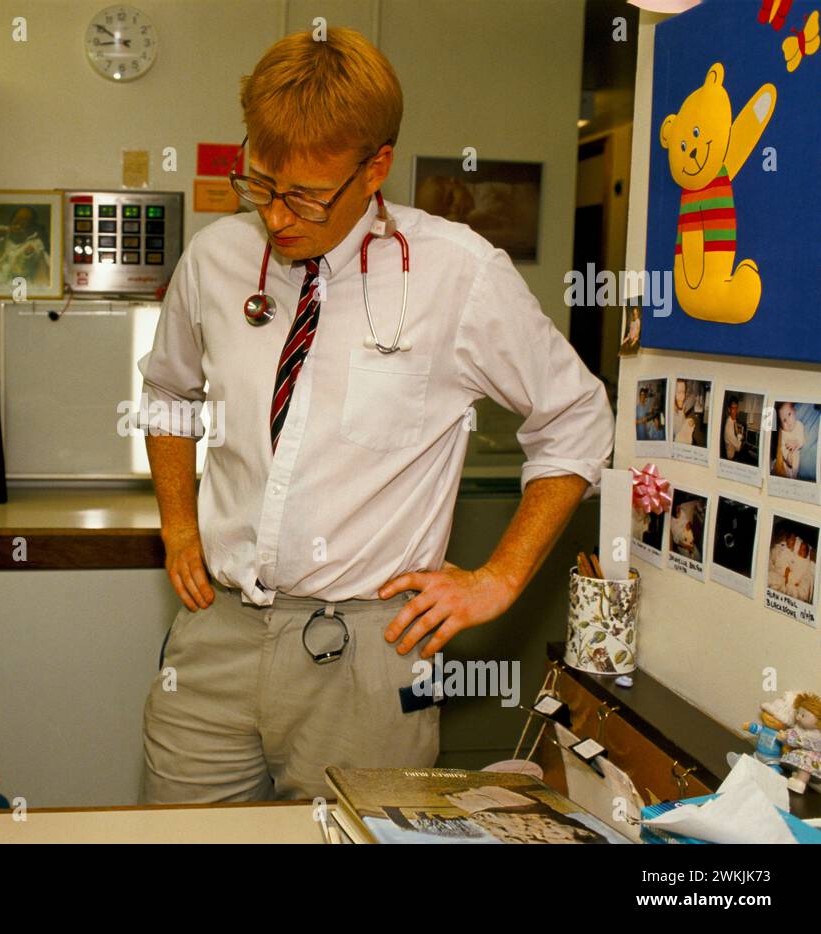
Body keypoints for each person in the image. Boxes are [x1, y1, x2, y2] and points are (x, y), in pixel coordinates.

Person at [136, 28, 613, 803]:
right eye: (262, 184)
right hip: (214, 632)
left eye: (307, 195)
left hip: (369, 653)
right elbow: (166, 396)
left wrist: (499, 578)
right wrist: (179, 524)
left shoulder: (458, 273)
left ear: (375, 168)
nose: (280, 217)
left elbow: (578, 418)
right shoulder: (216, 258)